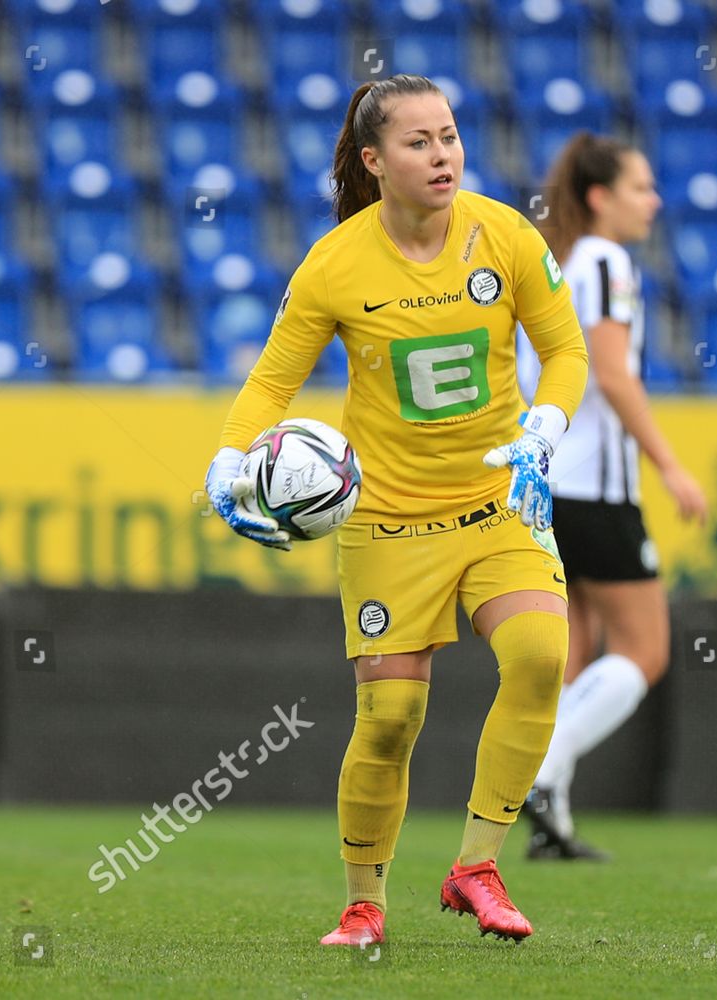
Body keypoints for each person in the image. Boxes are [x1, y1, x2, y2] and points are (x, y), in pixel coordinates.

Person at [204, 75, 588, 946]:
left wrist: (545, 429)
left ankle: (476, 867)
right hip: (386, 519)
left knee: (537, 657)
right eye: (419, 142)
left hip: (499, 497)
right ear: (375, 162)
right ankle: (364, 906)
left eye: (449, 136)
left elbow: (565, 351)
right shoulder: (335, 264)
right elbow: (272, 380)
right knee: (389, 721)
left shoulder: (507, 234)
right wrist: (230, 464)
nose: (442, 154)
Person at [516, 132, 708, 860]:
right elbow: (612, 372)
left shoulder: (554, 258)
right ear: (600, 197)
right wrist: (669, 466)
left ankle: (551, 819)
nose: (653, 202)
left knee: (577, 649)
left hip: (543, 484)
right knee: (646, 650)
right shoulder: (603, 261)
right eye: (640, 188)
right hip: (592, 485)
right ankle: (537, 774)